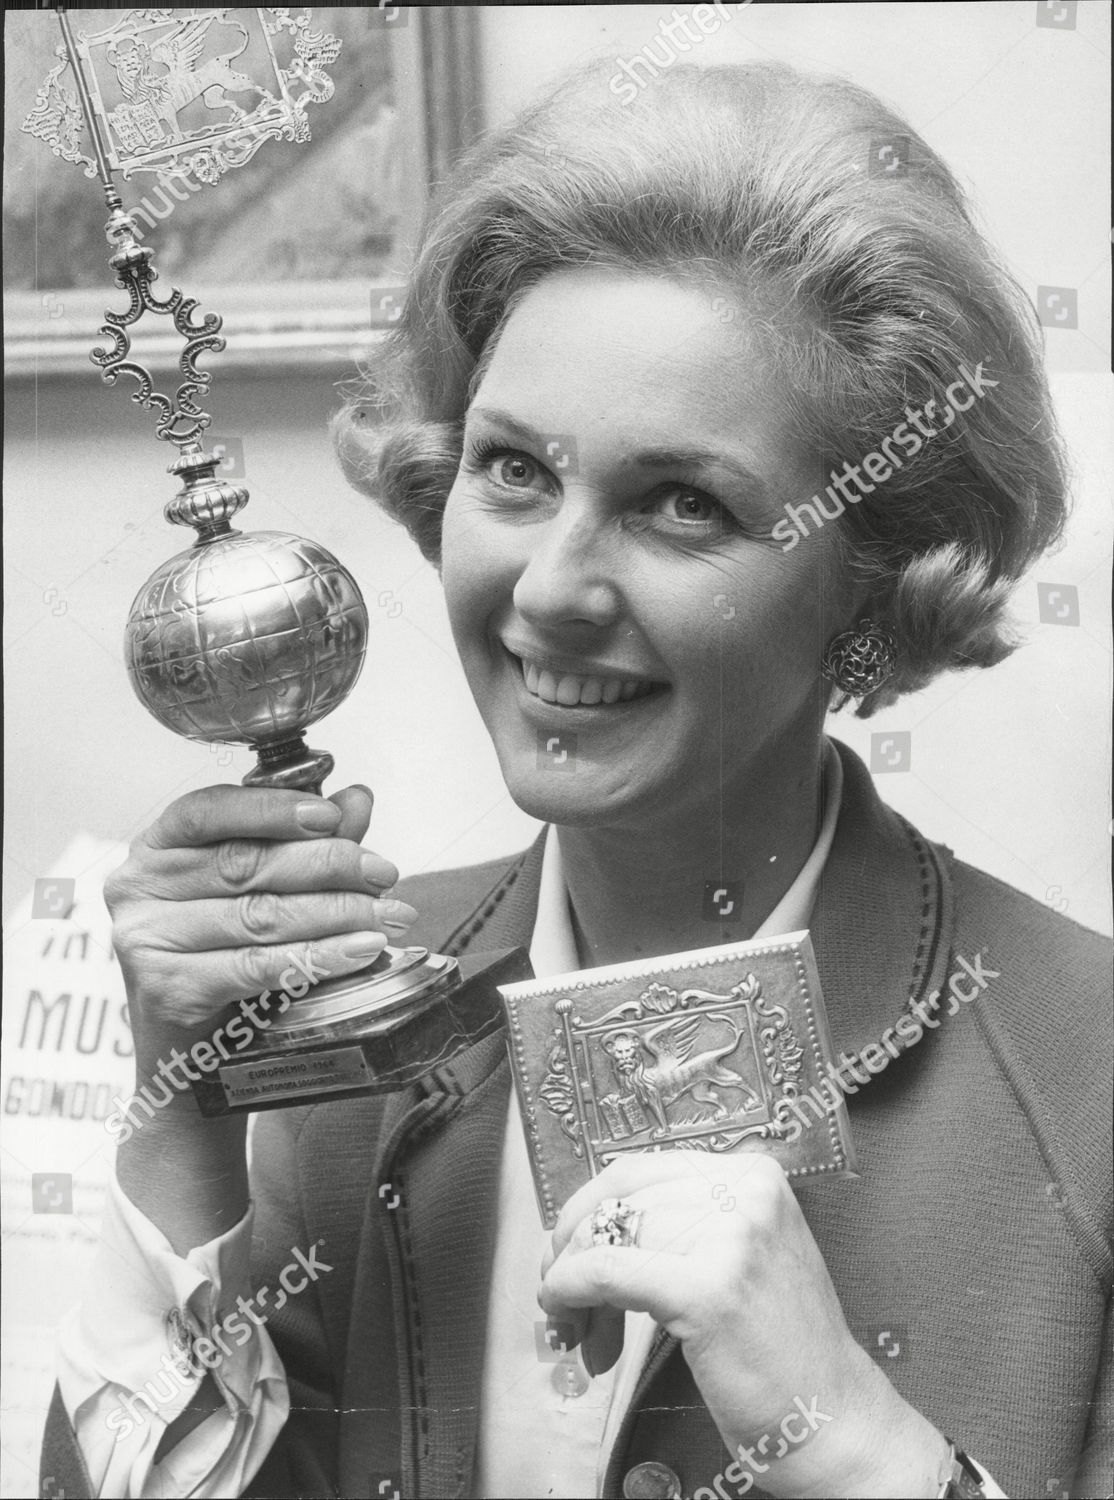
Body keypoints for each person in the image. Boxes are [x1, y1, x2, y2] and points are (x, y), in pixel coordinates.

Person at [41, 57, 1110, 1500]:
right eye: (515, 472)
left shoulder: (1083, 1071)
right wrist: (182, 1127)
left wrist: (859, 1449)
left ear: (871, 574)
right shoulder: (306, 1043)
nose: (549, 593)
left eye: (683, 503)